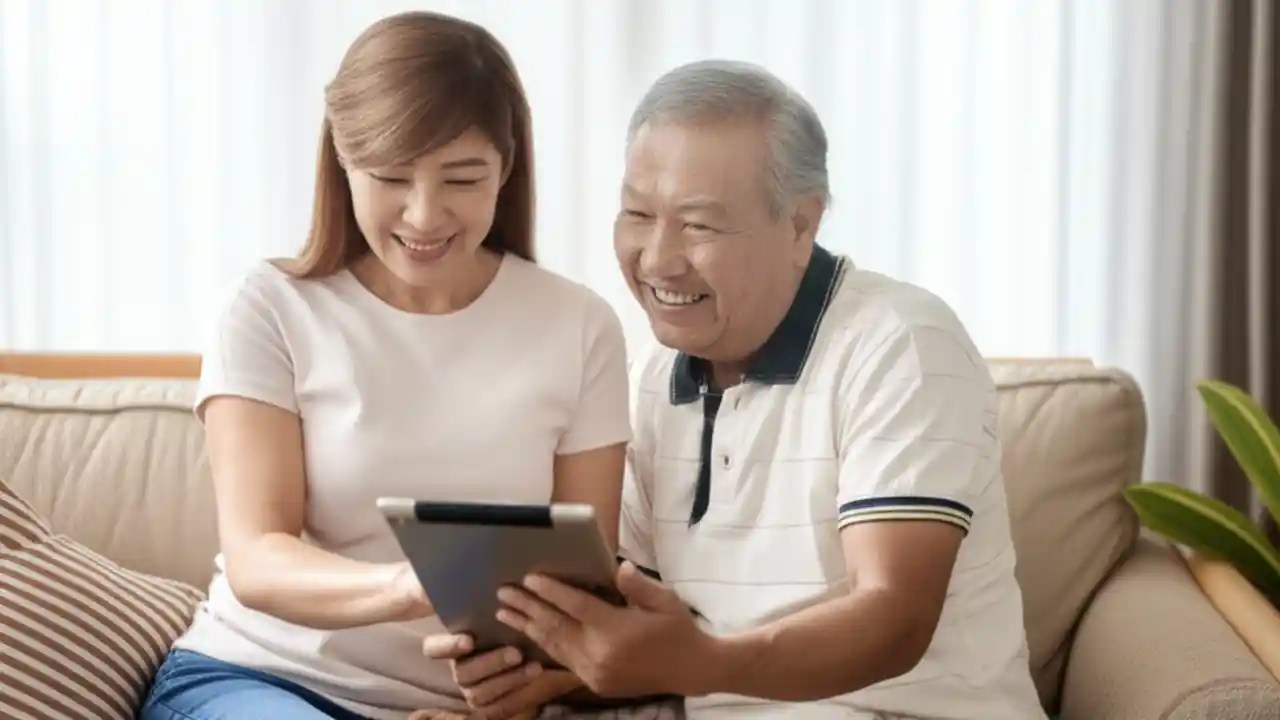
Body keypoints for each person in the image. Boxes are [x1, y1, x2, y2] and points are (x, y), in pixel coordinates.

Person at [430, 60, 1049, 719]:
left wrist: (699, 662)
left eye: (698, 225)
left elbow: (894, 615)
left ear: (800, 226)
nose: (659, 259)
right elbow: (655, 640)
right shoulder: (648, 378)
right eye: (638, 214)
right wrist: (551, 675)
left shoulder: (900, 344)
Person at [139, 12, 631, 720]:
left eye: (462, 178)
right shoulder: (273, 308)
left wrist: (527, 693)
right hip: (260, 681)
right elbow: (255, 557)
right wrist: (410, 586)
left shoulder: (580, 326)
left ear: (507, 167)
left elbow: (581, 596)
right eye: (391, 177)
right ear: (343, 163)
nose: (425, 215)